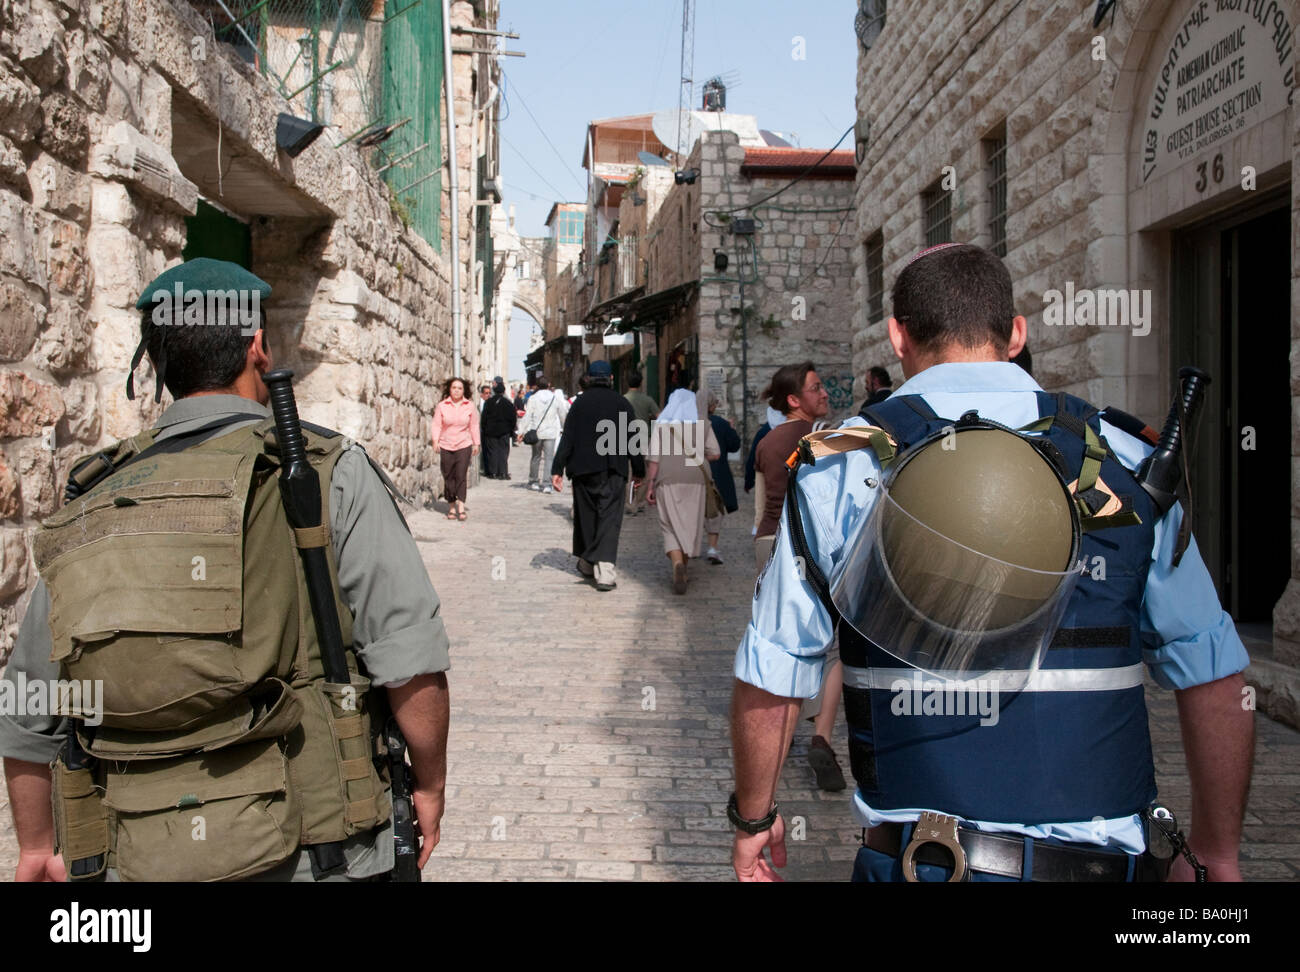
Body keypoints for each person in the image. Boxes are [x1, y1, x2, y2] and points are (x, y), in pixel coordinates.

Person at [728, 243, 1254, 883]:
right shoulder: (1124, 459)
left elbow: (776, 671)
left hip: (921, 864)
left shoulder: (842, 467)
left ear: (898, 336)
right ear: (1016, 333)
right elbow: (1215, 674)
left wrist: (755, 819)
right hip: (1105, 869)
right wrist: (1218, 854)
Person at [0, 258, 451, 882]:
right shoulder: (328, 471)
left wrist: (34, 845)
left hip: (138, 855)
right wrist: (430, 782)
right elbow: (408, 656)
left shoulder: (94, 500)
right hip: (318, 850)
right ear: (258, 347)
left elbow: (28, 706)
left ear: (156, 364)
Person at [748, 362, 845, 792]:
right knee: (832, 646)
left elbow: (758, 510)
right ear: (795, 400)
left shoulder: (766, 442)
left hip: (769, 542)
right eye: (816, 388)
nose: (823, 393)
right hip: (814, 547)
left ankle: (780, 736)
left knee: (783, 641)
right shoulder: (824, 439)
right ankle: (820, 735)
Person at [550, 360, 645, 591]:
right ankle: (605, 573)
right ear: (611, 378)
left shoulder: (580, 404)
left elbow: (568, 438)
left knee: (587, 517)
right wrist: (639, 470)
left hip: (583, 470)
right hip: (614, 469)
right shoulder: (622, 404)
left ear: (590, 379)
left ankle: (587, 562)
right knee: (609, 519)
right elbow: (633, 439)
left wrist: (557, 469)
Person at [646, 388, 722, 594]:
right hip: (695, 480)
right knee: (690, 524)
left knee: (668, 524)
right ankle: (684, 566)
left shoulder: (661, 426)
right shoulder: (703, 426)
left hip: (667, 478)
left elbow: (654, 460)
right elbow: (715, 454)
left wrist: (650, 485)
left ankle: (677, 563)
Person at [431, 376, 480, 521]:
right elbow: (436, 424)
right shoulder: (442, 406)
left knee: (460, 475)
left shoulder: (469, 406)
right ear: (449, 390)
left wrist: (476, 443)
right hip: (446, 444)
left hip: (463, 444)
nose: (457, 391)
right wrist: (435, 441)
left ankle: (461, 506)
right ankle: (451, 506)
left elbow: (474, 425)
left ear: (464, 390)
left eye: (459, 388)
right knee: (448, 476)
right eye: (454, 388)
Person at [705, 391, 741, 564]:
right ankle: (712, 547)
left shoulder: (688, 423)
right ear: (712, 406)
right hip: (718, 472)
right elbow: (734, 446)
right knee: (715, 511)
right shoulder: (721, 423)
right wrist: (731, 429)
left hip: (695, 472)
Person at [519, 375, 567, 493]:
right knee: (549, 459)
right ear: (549, 385)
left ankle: (534, 481)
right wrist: (565, 427)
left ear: (537, 385)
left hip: (536, 432)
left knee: (535, 457)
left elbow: (528, 415)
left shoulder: (533, 398)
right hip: (550, 432)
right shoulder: (554, 398)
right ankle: (547, 484)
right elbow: (562, 414)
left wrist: (521, 431)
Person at [623, 372, 661, 516]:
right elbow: (660, 417)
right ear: (640, 383)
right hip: (644, 439)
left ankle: (629, 502)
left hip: (626, 439)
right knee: (645, 473)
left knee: (629, 473)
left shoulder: (623, 399)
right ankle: (639, 501)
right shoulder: (648, 400)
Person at [480, 380, 517, 479]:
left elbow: (484, 417)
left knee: (492, 451)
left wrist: (484, 428)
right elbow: (513, 418)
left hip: (490, 431)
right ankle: (503, 472)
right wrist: (511, 430)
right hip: (504, 431)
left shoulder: (488, 402)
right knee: (503, 451)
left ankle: (493, 472)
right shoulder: (508, 403)